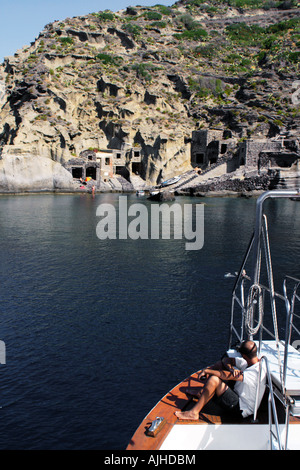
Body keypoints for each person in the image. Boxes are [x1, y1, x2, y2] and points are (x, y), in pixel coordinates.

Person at [175, 340, 266, 421]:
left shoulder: (255, 372)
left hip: (241, 409)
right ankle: (203, 392)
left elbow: (226, 376)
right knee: (220, 365)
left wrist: (207, 371)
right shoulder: (249, 362)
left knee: (214, 379)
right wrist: (231, 368)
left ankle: (193, 413)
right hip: (237, 394)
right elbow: (226, 360)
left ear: (244, 355)